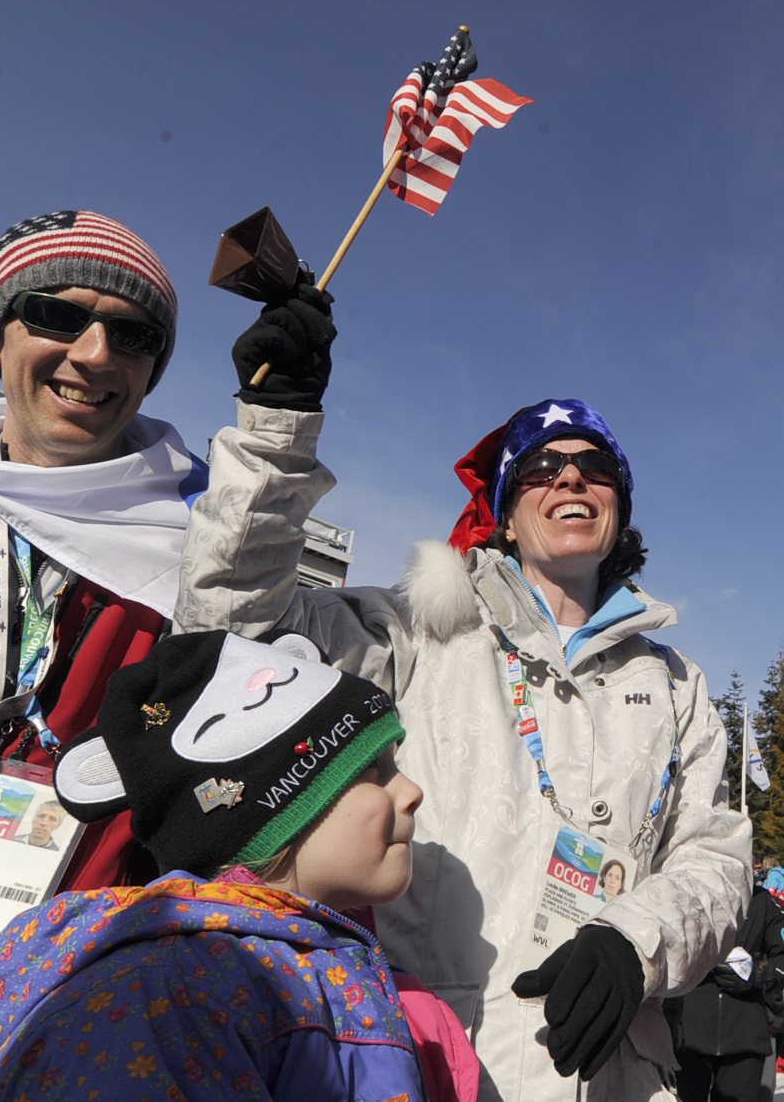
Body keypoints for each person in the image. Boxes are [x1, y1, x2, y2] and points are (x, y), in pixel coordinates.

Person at [173, 384, 753, 1102]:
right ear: (507, 516)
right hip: (427, 1061)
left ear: (619, 506)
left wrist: (638, 944)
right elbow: (230, 638)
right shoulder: (418, 629)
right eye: (542, 468)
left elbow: (716, 861)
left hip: (616, 1074)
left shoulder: (675, 684)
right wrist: (277, 432)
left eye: (595, 467)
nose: (570, 477)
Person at [0, 210, 336, 1102]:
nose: (95, 354)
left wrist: (279, 426)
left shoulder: (184, 552)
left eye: (133, 336)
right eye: (57, 316)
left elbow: (235, 618)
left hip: (54, 1036)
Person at [0, 628, 476, 1102]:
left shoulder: (369, 983)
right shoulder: (174, 994)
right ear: (273, 816)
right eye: (373, 770)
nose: (412, 792)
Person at [667, 883, 784, 1102]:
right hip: (689, 1032)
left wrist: (761, 973)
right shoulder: (686, 892)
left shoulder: (762, 900)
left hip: (744, 1035)